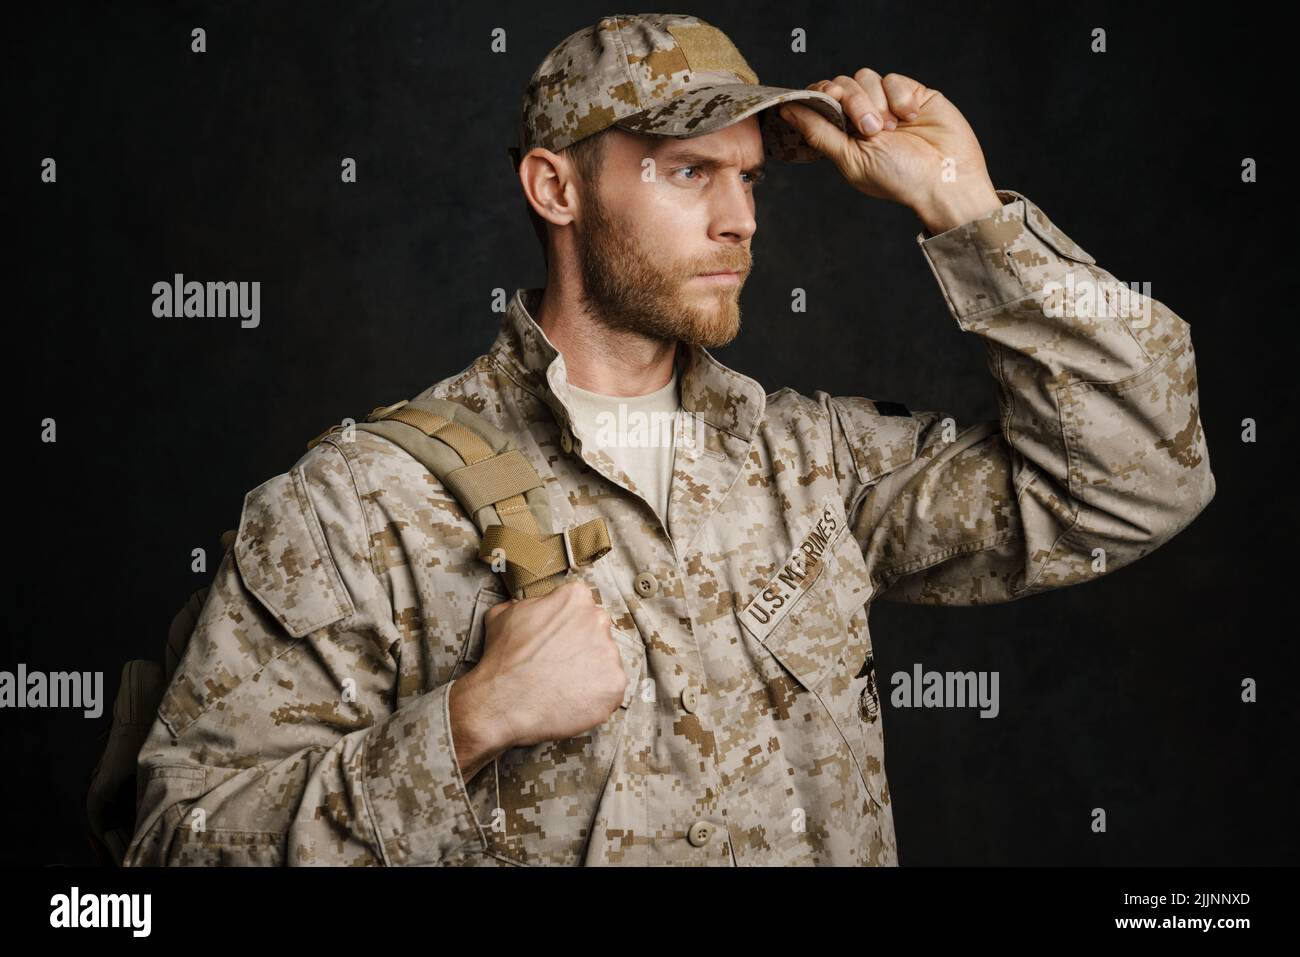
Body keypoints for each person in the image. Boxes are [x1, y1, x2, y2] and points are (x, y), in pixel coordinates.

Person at [125, 13, 1215, 866]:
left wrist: (966, 213)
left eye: (745, 176)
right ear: (555, 187)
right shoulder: (358, 504)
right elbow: (173, 848)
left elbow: (1134, 481)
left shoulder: (813, 464)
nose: (739, 219)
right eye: (688, 171)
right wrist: (464, 723)